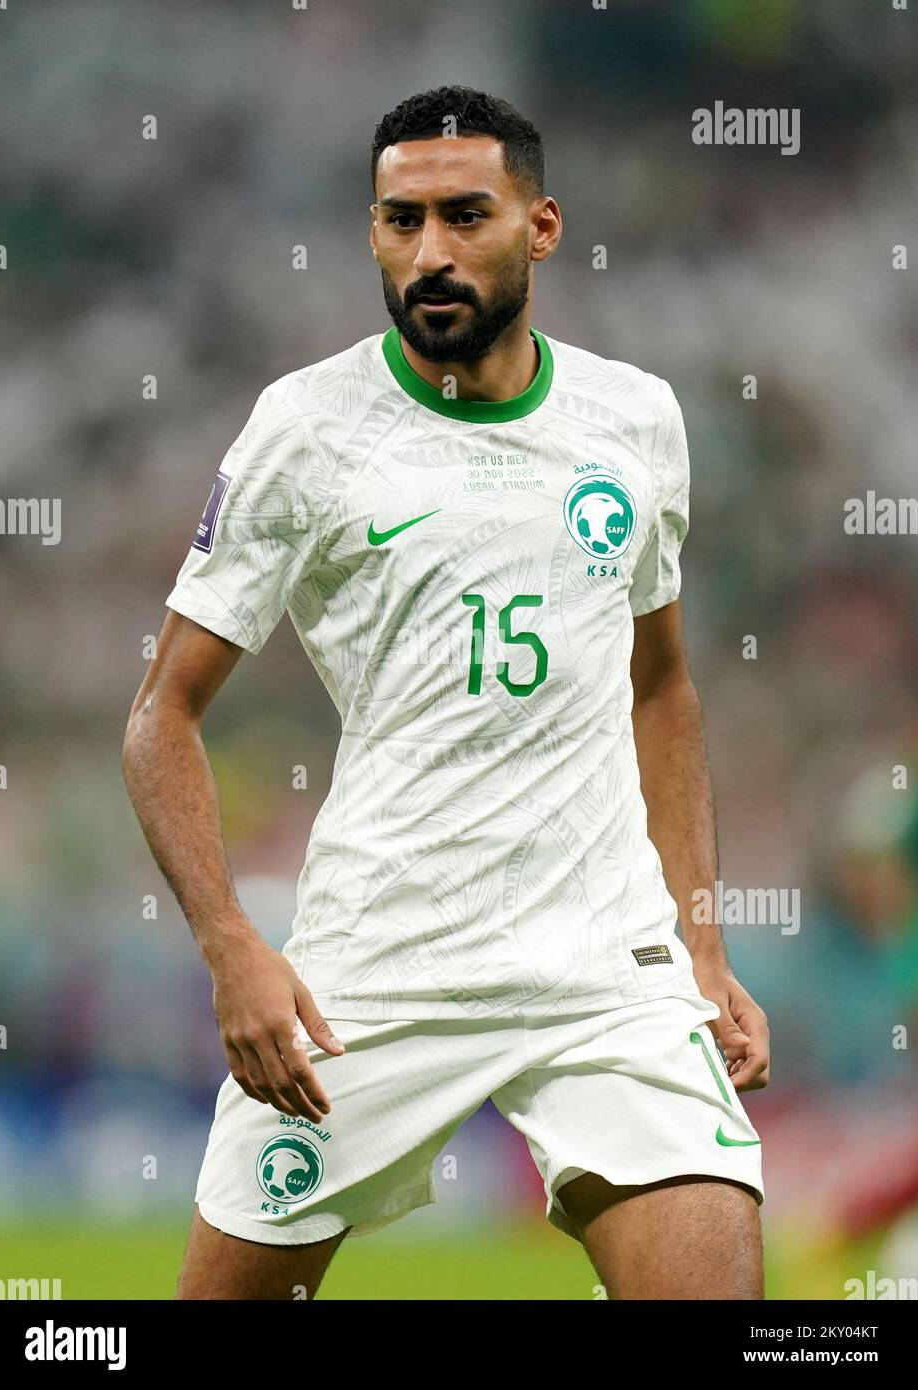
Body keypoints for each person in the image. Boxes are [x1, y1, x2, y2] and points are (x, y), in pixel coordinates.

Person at [122, 85, 769, 1301]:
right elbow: (162, 716)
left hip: (603, 971)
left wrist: (699, 942)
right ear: (369, 229)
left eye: (463, 215)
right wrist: (232, 950)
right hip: (375, 966)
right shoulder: (306, 429)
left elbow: (663, 686)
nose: (428, 253)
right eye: (397, 220)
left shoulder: (632, 418)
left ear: (539, 225)